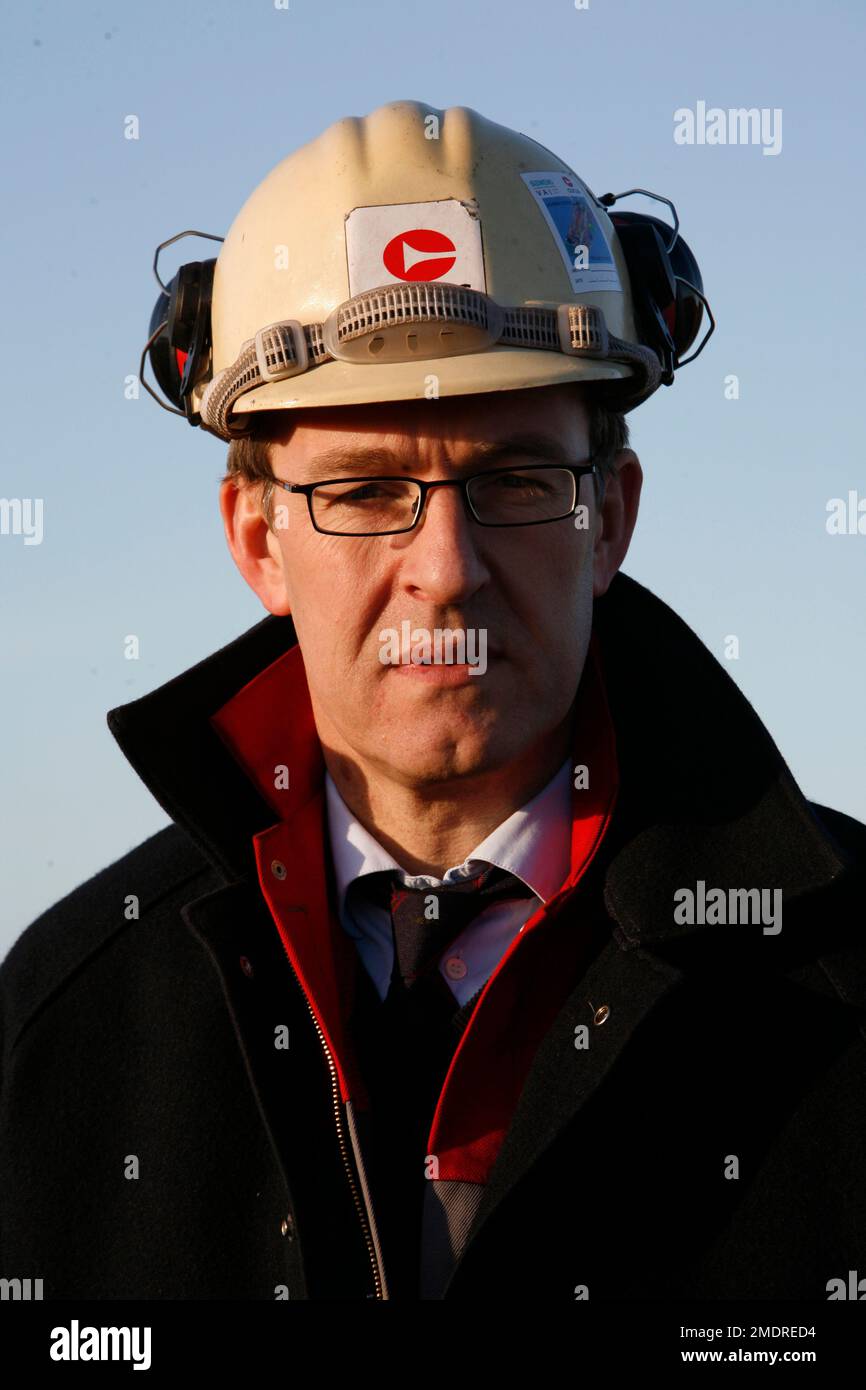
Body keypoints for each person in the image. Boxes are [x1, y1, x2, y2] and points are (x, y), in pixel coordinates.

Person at [2, 100, 864, 1304]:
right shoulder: (67, 1030)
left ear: (606, 516)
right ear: (257, 538)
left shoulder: (845, 981)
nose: (446, 564)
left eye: (512, 479)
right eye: (360, 490)